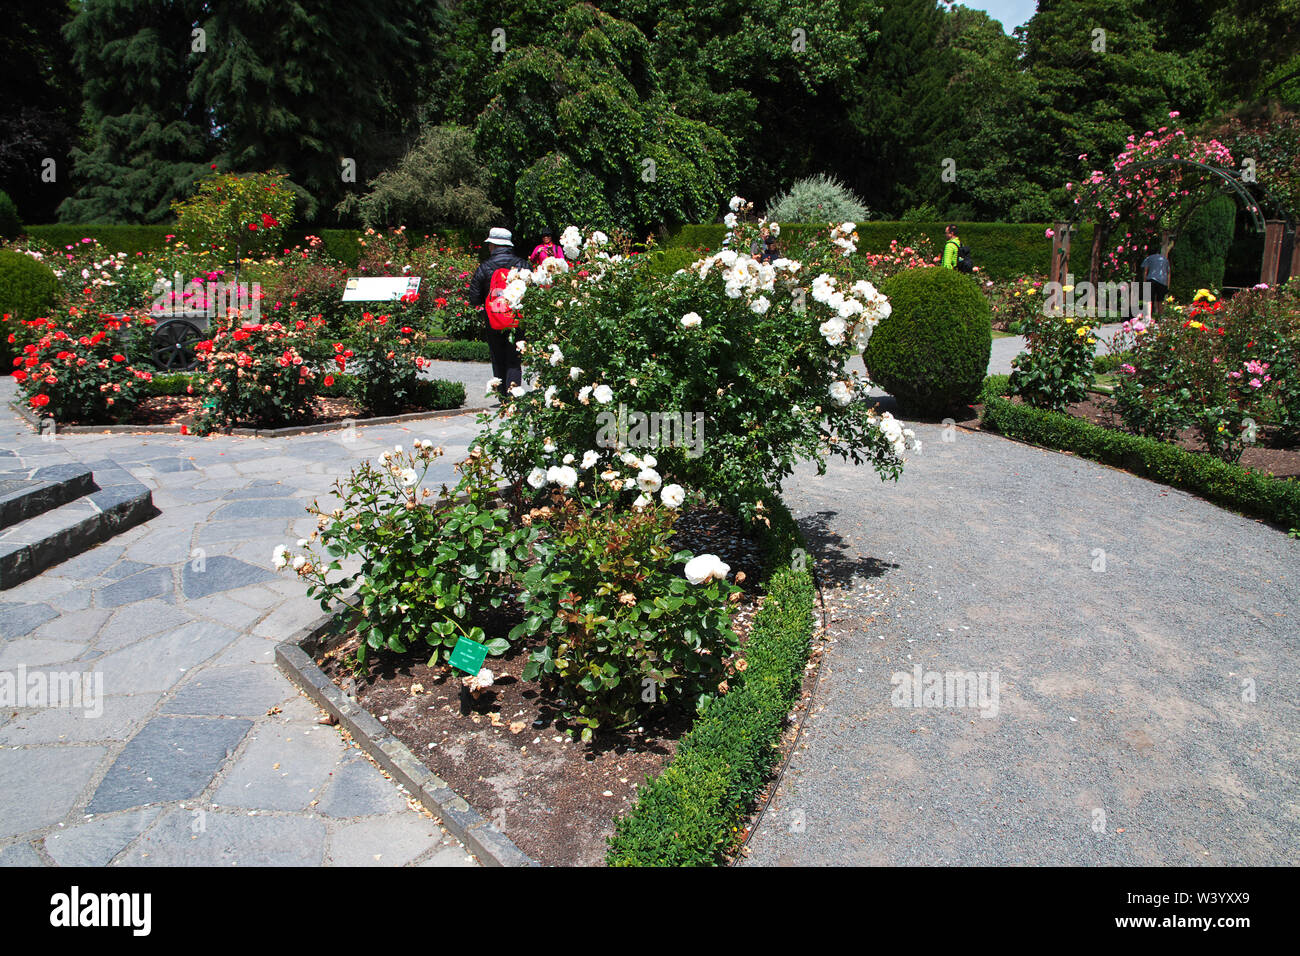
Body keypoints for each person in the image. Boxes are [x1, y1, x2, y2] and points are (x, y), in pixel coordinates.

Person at [468, 227, 528, 398]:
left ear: (493, 245)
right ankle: (514, 394)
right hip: (517, 318)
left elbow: (474, 297)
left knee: (498, 356)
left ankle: (502, 396)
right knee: (514, 358)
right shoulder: (523, 265)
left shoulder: (485, 267)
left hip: (493, 319)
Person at [1140, 249, 1171, 319]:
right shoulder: (1165, 259)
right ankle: (1161, 318)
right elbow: (1168, 273)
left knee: (1149, 300)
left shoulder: (1148, 258)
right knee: (1160, 300)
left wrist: (1144, 283)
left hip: (1151, 280)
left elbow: (1145, 271)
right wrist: (1167, 285)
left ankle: (1148, 317)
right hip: (1162, 281)